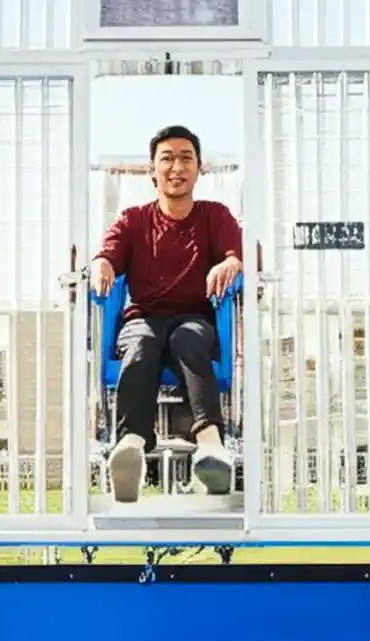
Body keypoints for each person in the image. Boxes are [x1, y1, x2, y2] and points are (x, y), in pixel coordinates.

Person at [90, 125, 244, 503]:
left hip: (194, 317)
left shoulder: (215, 215)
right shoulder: (133, 219)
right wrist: (101, 264)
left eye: (186, 158)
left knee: (188, 340)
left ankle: (211, 448)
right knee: (140, 345)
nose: (177, 167)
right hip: (142, 316)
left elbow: (235, 253)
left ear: (199, 168)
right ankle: (130, 446)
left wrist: (229, 264)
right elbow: (107, 251)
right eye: (168, 158)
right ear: (152, 170)